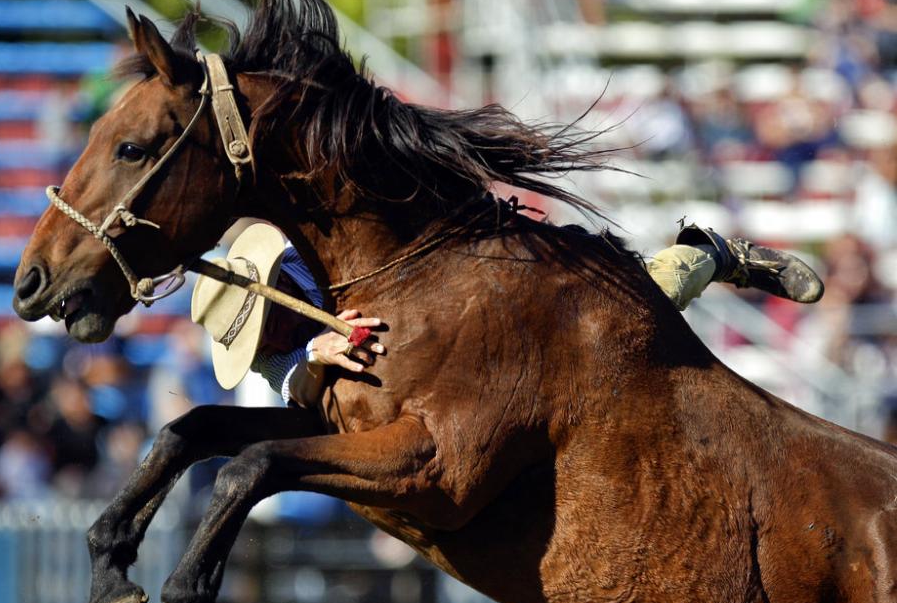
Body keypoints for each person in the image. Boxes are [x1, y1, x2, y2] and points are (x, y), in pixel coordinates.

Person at [251, 224, 824, 408]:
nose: (272, 332)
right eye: (261, 335)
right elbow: (293, 388)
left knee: (618, 313)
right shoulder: (269, 355)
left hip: (476, 297)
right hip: (463, 372)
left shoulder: (312, 254)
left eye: (268, 314)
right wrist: (311, 355)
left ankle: (708, 255)